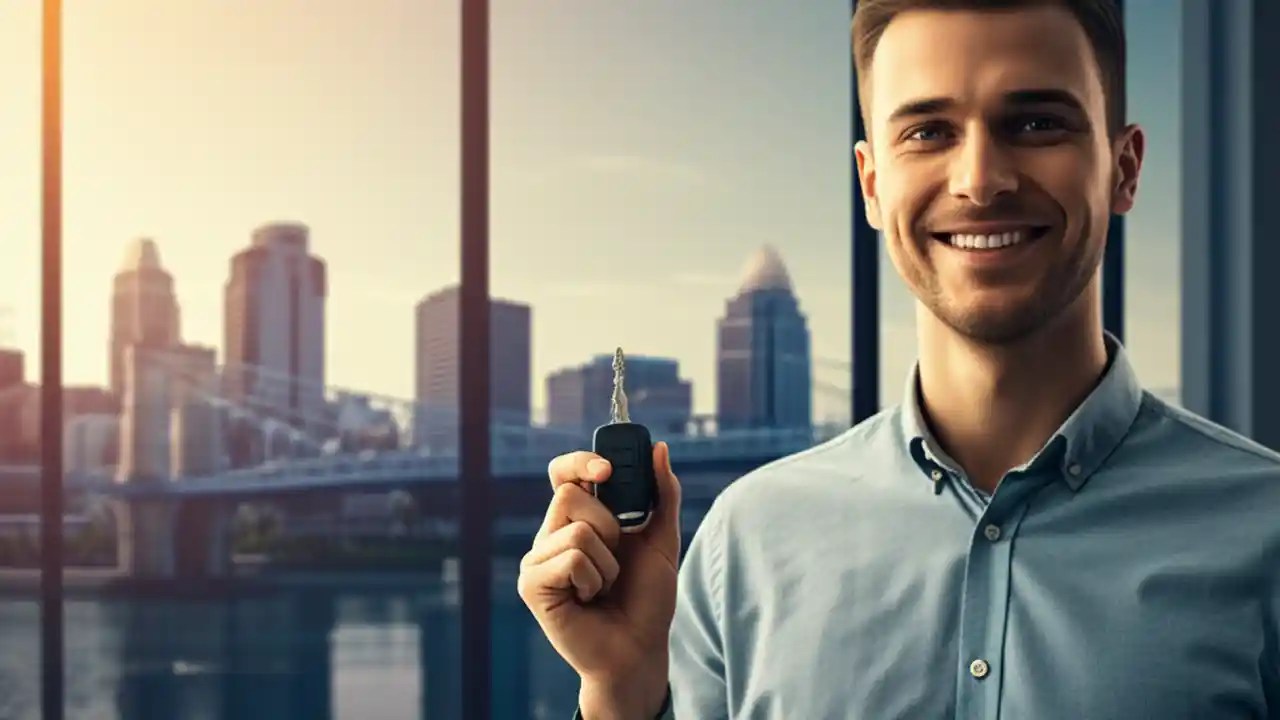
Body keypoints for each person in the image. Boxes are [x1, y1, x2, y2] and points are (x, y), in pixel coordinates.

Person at [517, 0, 1280, 717]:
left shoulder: (1266, 534)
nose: (980, 180)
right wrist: (621, 693)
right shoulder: (742, 546)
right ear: (872, 184)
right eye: (928, 132)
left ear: (1125, 166)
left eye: (1037, 122)